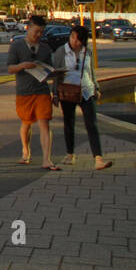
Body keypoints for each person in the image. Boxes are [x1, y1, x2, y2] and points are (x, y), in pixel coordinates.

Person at [53, 24, 111, 170]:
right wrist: (55, 93)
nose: (74, 41)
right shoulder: (61, 52)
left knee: (92, 124)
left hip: (86, 90)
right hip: (68, 91)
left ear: (83, 41)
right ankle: (70, 154)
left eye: (78, 39)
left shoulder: (88, 52)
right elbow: (56, 75)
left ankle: (98, 158)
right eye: (72, 37)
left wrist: (96, 87)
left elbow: (91, 71)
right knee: (69, 123)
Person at [7, 14, 60, 170]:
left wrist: (54, 75)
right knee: (26, 122)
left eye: (41, 33)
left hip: (42, 90)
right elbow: (10, 68)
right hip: (24, 92)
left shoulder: (45, 48)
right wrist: (23, 65)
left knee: (44, 122)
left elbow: (50, 70)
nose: (38, 35)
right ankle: (26, 150)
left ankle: (46, 159)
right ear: (28, 28)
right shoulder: (16, 46)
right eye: (36, 31)